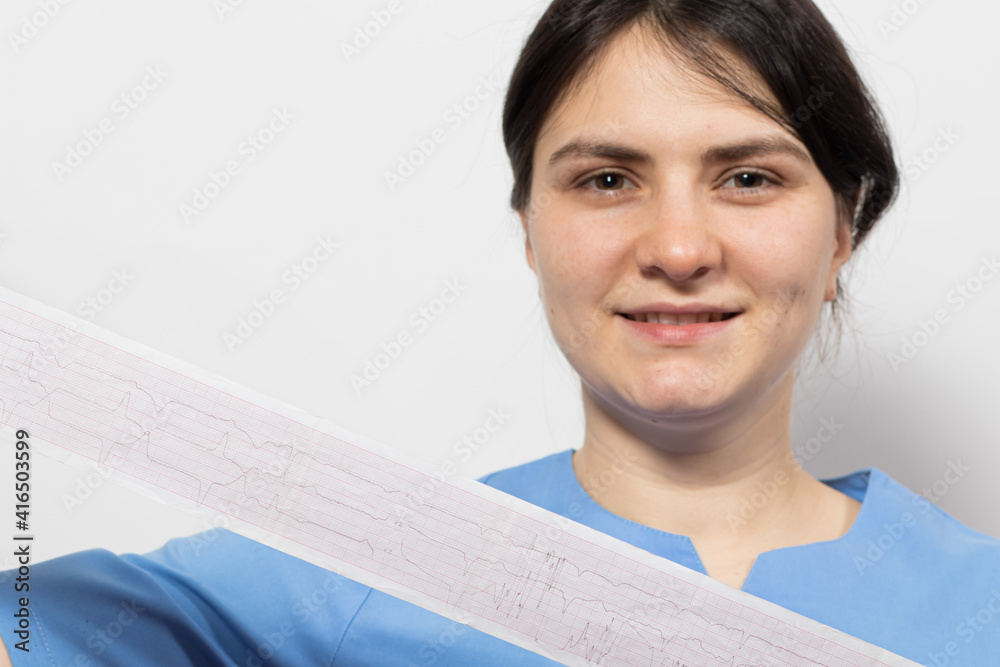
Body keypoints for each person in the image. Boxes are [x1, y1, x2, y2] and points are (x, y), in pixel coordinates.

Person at [3, 0, 999, 665]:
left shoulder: (980, 606)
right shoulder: (356, 573)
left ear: (842, 228)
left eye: (748, 176)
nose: (680, 246)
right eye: (606, 180)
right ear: (530, 228)